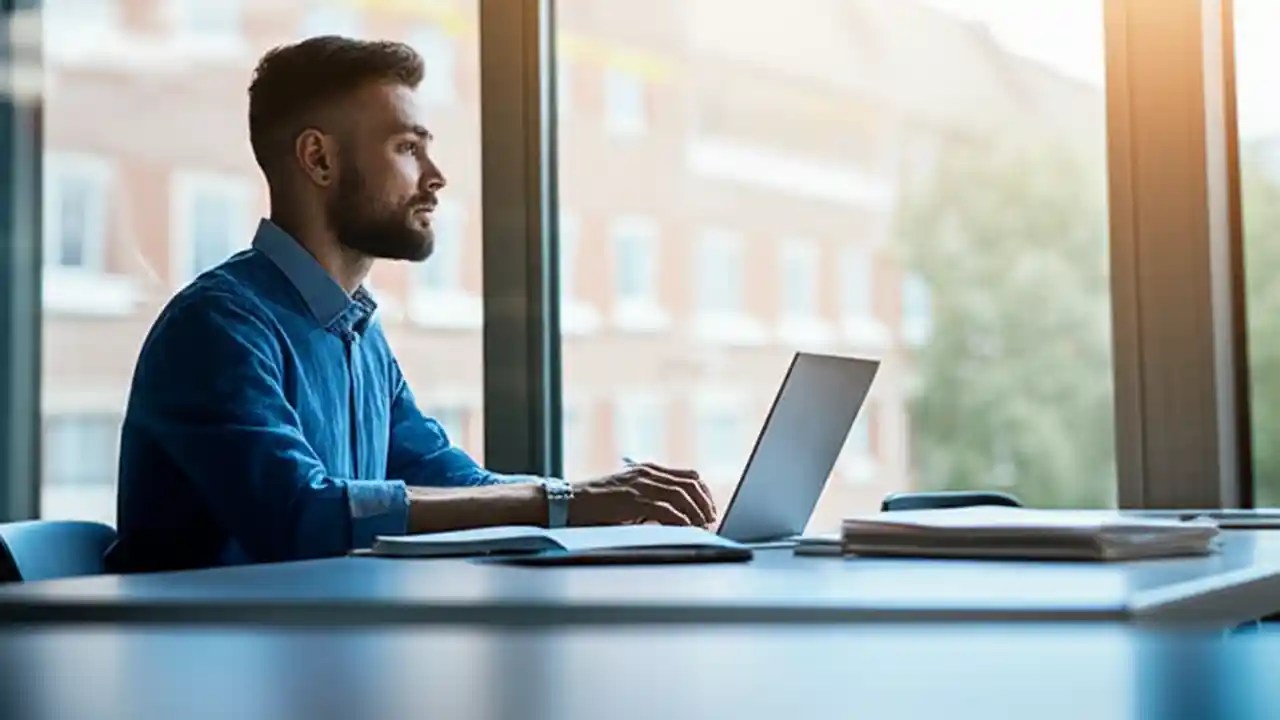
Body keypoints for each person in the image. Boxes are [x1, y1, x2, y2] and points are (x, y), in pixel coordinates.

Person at [104, 36, 716, 573]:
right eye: (407, 147)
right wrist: (568, 503)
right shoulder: (218, 327)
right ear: (318, 158)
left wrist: (595, 503)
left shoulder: (358, 332)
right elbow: (302, 516)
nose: (436, 175)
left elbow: (452, 482)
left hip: (313, 659)